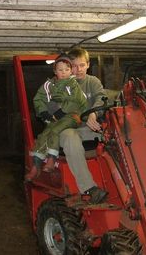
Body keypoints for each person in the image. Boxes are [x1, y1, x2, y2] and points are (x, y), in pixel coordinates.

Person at [59, 47, 109, 204]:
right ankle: (89, 188)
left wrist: (95, 113)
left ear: (88, 65)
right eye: (74, 66)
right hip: (70, 129)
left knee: (116, 135)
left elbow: (102, 97)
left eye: (82, 65)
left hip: (90, 129)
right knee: (70, 137)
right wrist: (84, 115)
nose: (78, 69)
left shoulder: (93, 82)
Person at [26, 56, 87, 181]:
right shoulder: (49, 85)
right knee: (44, 134)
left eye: (66, 69)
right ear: (55, 71)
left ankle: (52, 159)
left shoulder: (73, 84)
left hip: (72, 115)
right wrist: (43, 112)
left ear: (71, 71)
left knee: (55, 130)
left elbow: (76, 101)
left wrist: (61, 111)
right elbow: (39, 98)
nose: (64, 72)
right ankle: (36, 166)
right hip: (56, 114)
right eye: (60, 70)